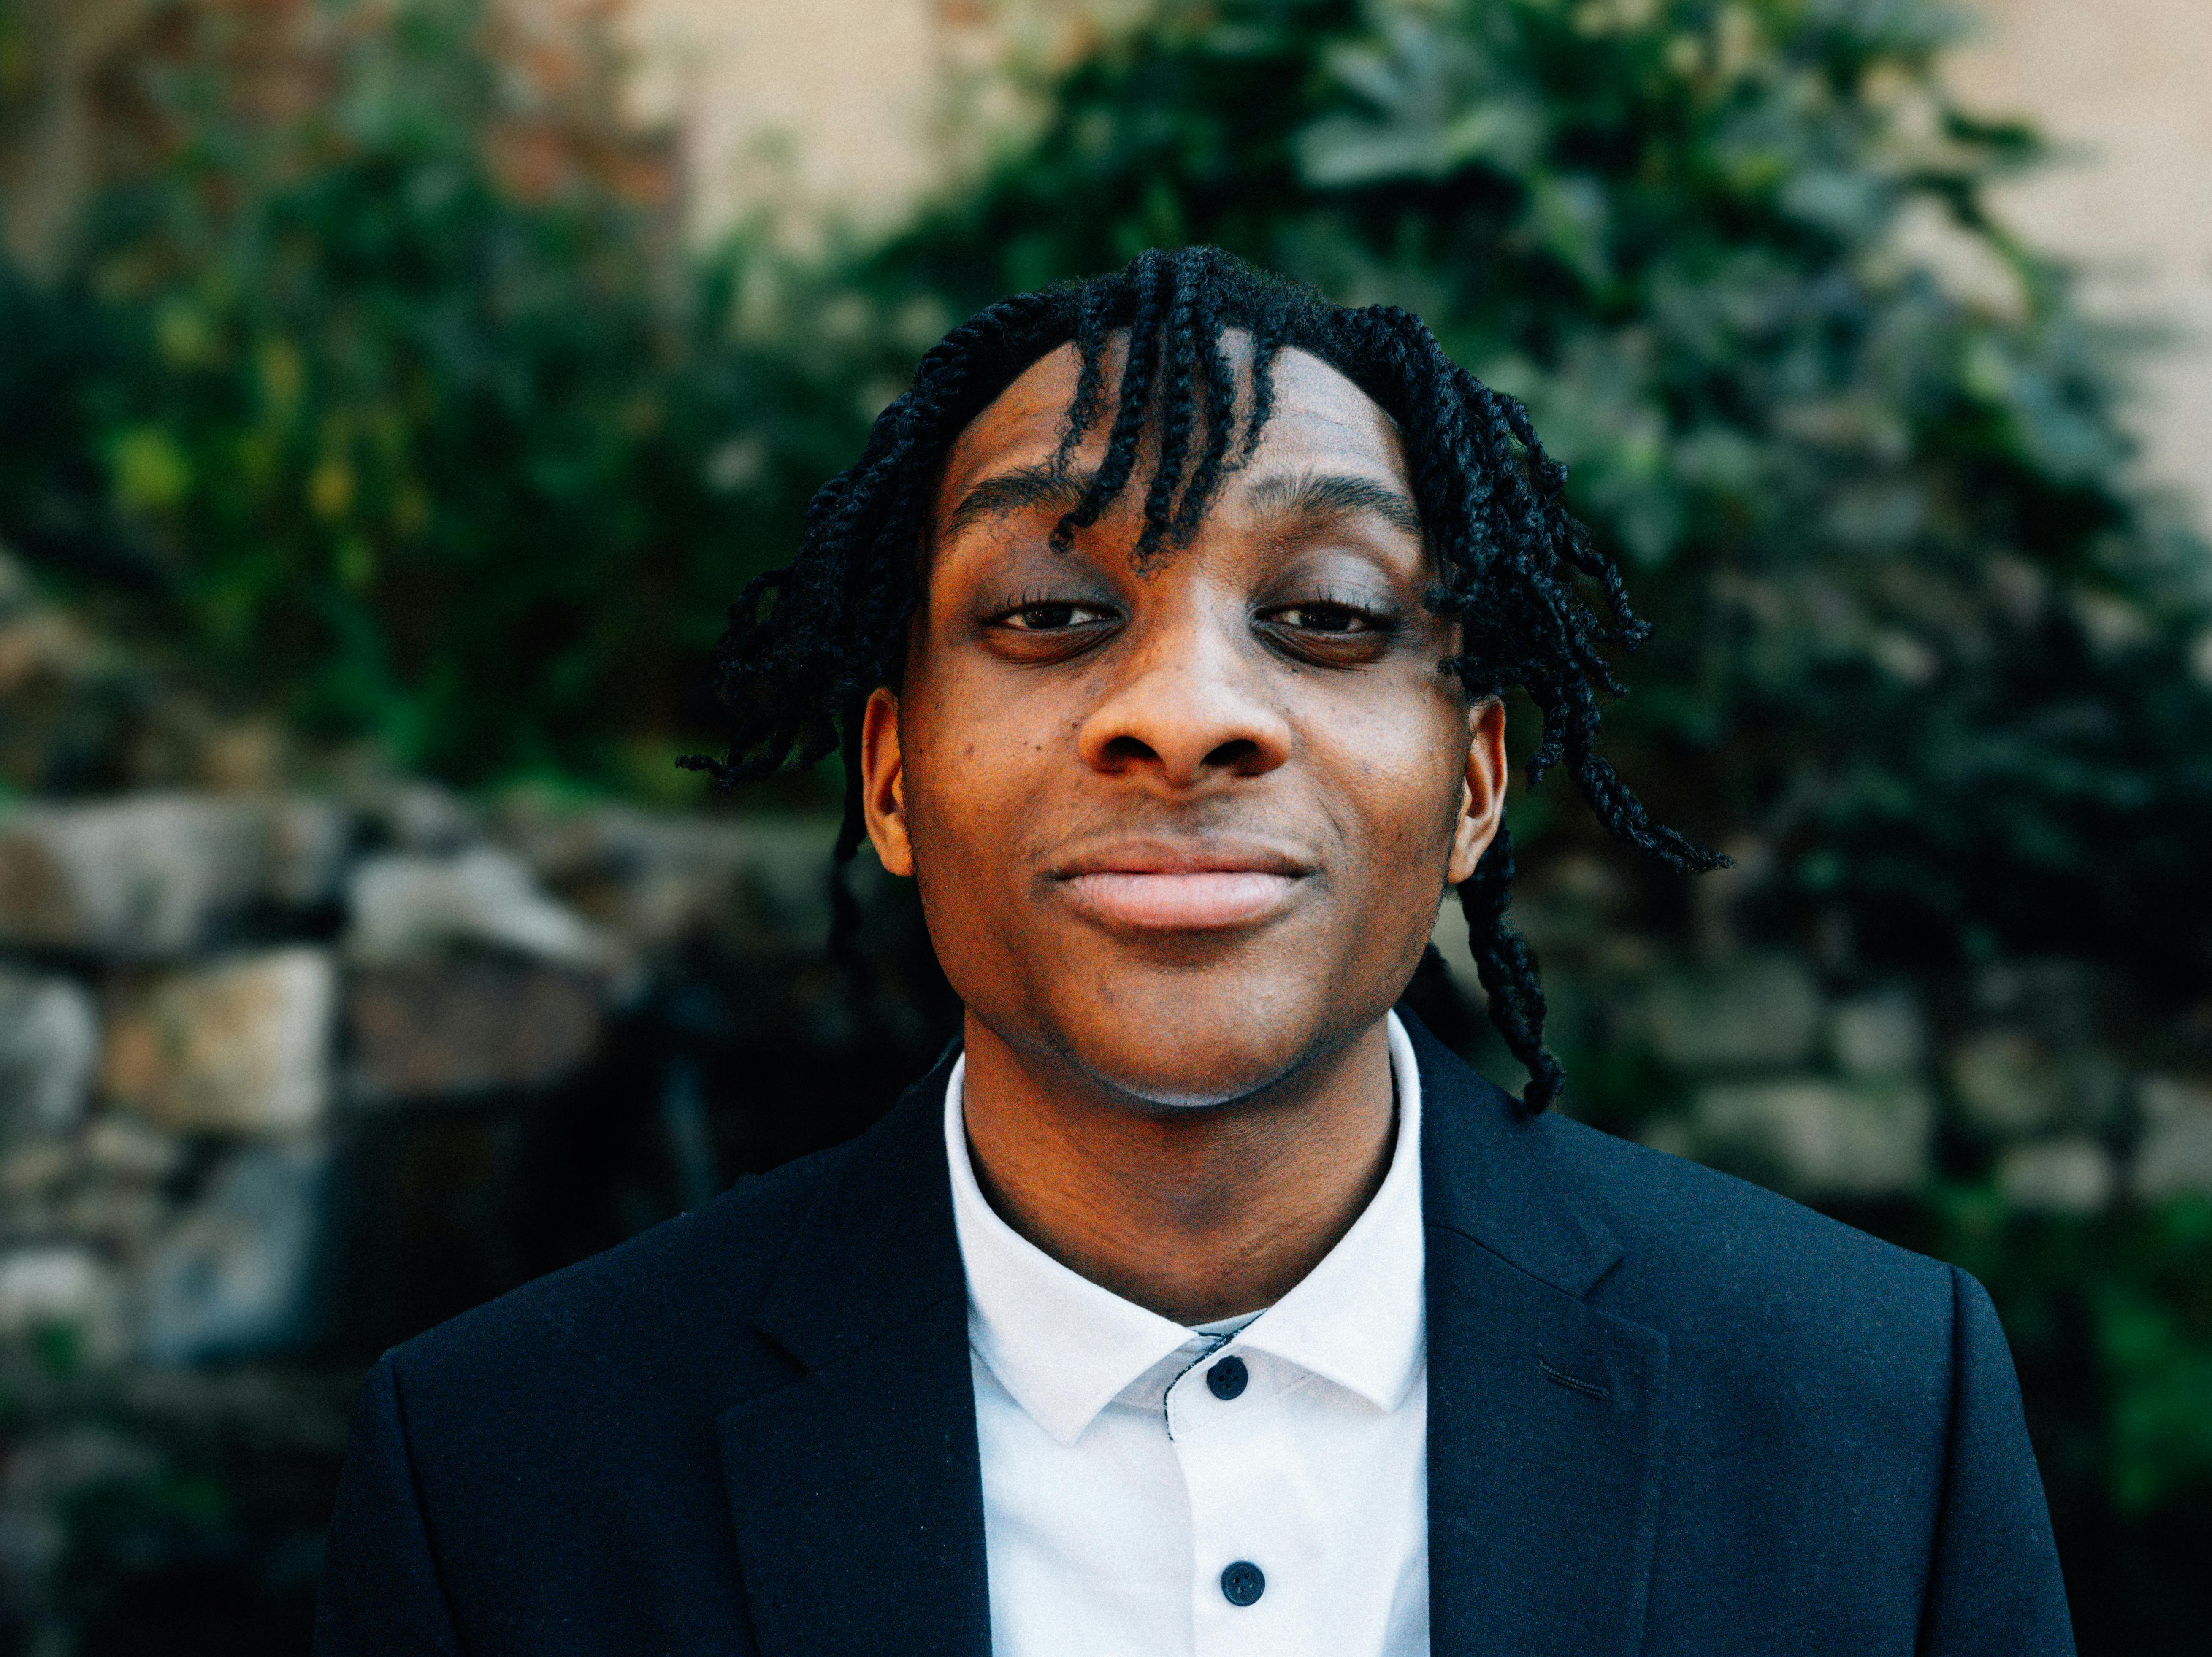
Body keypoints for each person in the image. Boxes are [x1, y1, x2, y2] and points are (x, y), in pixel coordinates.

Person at [314, 248, 2074, 1656]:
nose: (1184, 714)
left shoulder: (1872, 1408)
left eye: (1325, 616)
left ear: (1473, 789)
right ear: (892, 780)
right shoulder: (501, 1477)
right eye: (1049, 613)